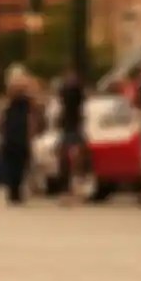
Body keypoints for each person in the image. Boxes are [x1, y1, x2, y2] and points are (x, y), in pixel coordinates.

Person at [0, 69, 35, 205]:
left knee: (17, 166)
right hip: (14, 137)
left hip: (17, 136)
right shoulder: (14, 103)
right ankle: (14, 191)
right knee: (15, 165)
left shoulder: (24, 104)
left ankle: (15, 191)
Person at [56, 66, 86, 201]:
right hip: (72, 126)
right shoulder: (77, 93)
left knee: (68, 155)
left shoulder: (70, 93)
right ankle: (72, 185)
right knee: (71, 155)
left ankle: (69, 186)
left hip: (70, 126)